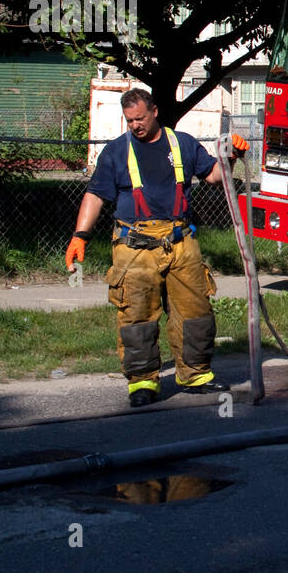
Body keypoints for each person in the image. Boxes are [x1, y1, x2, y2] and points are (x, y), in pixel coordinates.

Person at [64, 88, 249, 407]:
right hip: (134, 246)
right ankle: (142, 381)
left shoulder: (183, 143)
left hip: (181, 242)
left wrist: (230, 156)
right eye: (129, 120)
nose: (134, 125)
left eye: (139, 118)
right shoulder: (116, 152)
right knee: (137, 316)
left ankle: (194, 374)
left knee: (195, 311)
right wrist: (80, 235)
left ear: (155, 111)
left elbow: (216, 177)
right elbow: (95, 195)